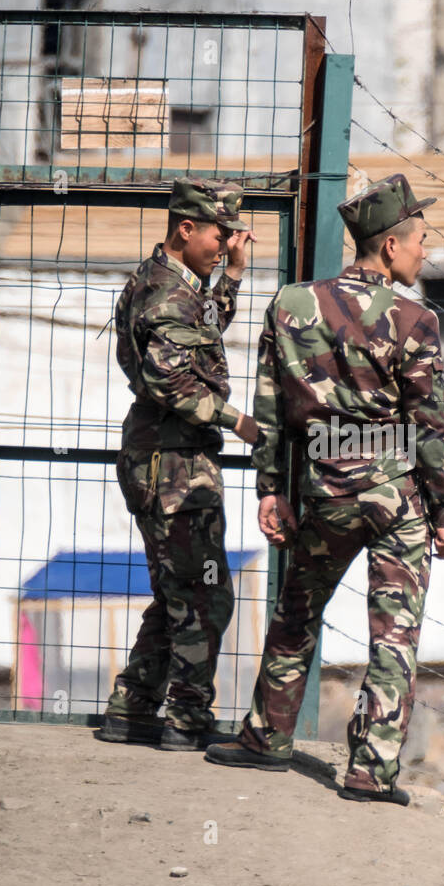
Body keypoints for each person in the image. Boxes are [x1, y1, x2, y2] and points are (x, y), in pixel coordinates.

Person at [204, 173, 444, 803]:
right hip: (396, 497)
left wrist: (272, 490)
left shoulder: (291, 305)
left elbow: (270, 408)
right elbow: (430, 426)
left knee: (297, 612)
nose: (424, 253)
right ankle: (370, 772)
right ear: (392, 246)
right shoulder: (415, 319)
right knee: (393, 635)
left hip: (322, 490)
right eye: (420, 241)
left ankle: (266, 737)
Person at [98, 177, 258, 751]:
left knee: (179, 590)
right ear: (186, 229)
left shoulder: (174, 284)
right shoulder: (166, 292)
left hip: (169, 456)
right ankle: (185, 719)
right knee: (205, 593)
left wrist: (231, 277)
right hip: (173, 463)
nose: (228, 243)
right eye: (221, 234)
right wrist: (234, 418)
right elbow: (170, 378)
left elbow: (200, 337)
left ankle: (134, 706)